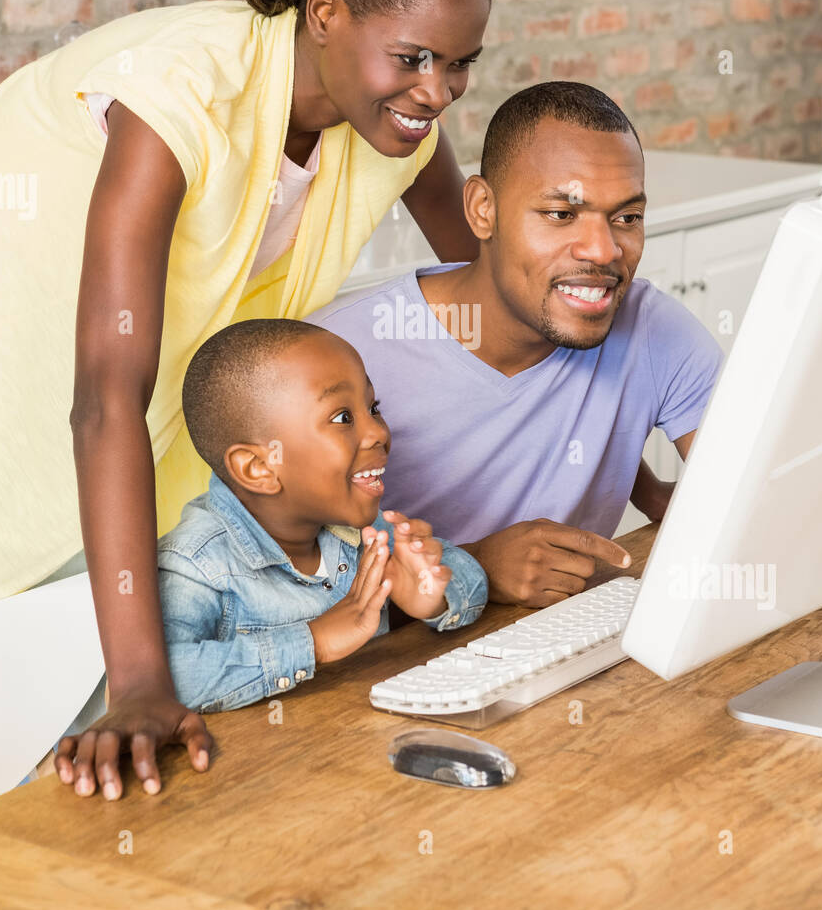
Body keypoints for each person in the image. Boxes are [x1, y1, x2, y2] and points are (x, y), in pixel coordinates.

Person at [0, 0, 491, 799]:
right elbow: (106, 396)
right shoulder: (183, 93)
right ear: (325, 11)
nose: (438, 92)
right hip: (29, 405)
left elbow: (487, 291)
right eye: (415, 57)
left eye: (462, 62)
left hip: (139, 469)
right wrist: (144, 684)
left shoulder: (391, 126)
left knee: (125, 782)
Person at [309, 81, 724, 607]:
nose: (603, 250)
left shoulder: (652, 328)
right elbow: (273, 586)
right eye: (561, 214)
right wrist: (475, 566)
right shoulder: (340, 351)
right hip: (379, 673)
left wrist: (675, 495)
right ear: (483, 209)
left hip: (563, 646)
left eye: (627, 218)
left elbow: (760, 488)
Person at [151, 319, 486, 718]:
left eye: (373, 408)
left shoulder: (362, 532)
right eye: (344, 417)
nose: (378, 432)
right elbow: (161, 681)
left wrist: (431, 598)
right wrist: (315, 642)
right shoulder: (195, 563)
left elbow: (469, 575)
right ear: (259, 466)